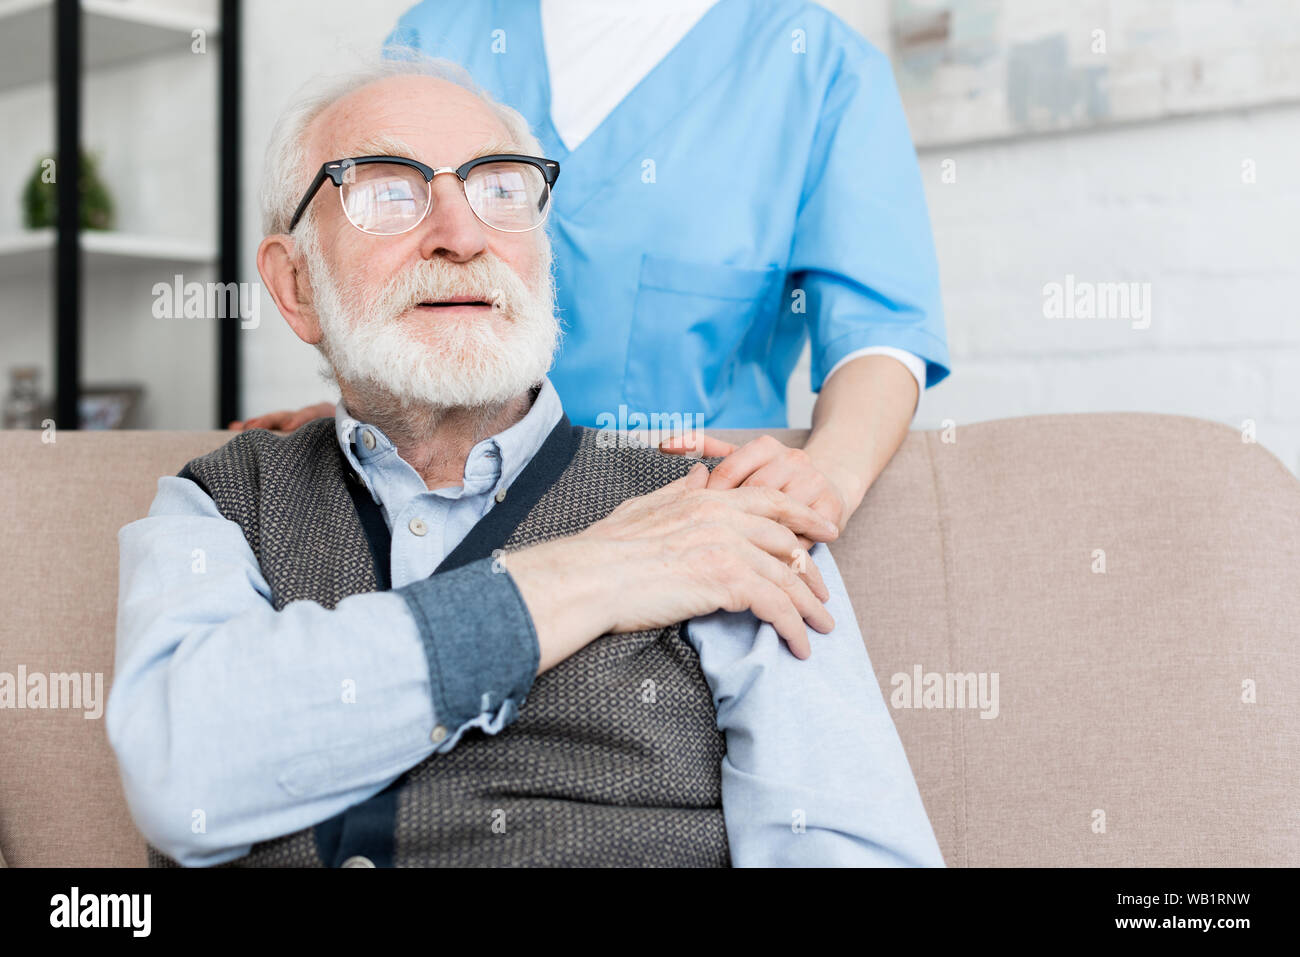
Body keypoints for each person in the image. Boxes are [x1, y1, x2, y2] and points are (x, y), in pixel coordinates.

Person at [107, 55, 944, 867]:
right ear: (295, 286)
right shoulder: (218, 504)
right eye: (389, 192)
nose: (461, 234)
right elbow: (183, 776)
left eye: (500, 188)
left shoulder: (718, 519)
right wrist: (599, 572)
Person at [230, 0, 950, 543]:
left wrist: (831, 472)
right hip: (451, 510)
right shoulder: (441, 30)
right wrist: (375, 415)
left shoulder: (811, 60)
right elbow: (386, 265)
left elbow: (879, 330)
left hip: (688, 514)